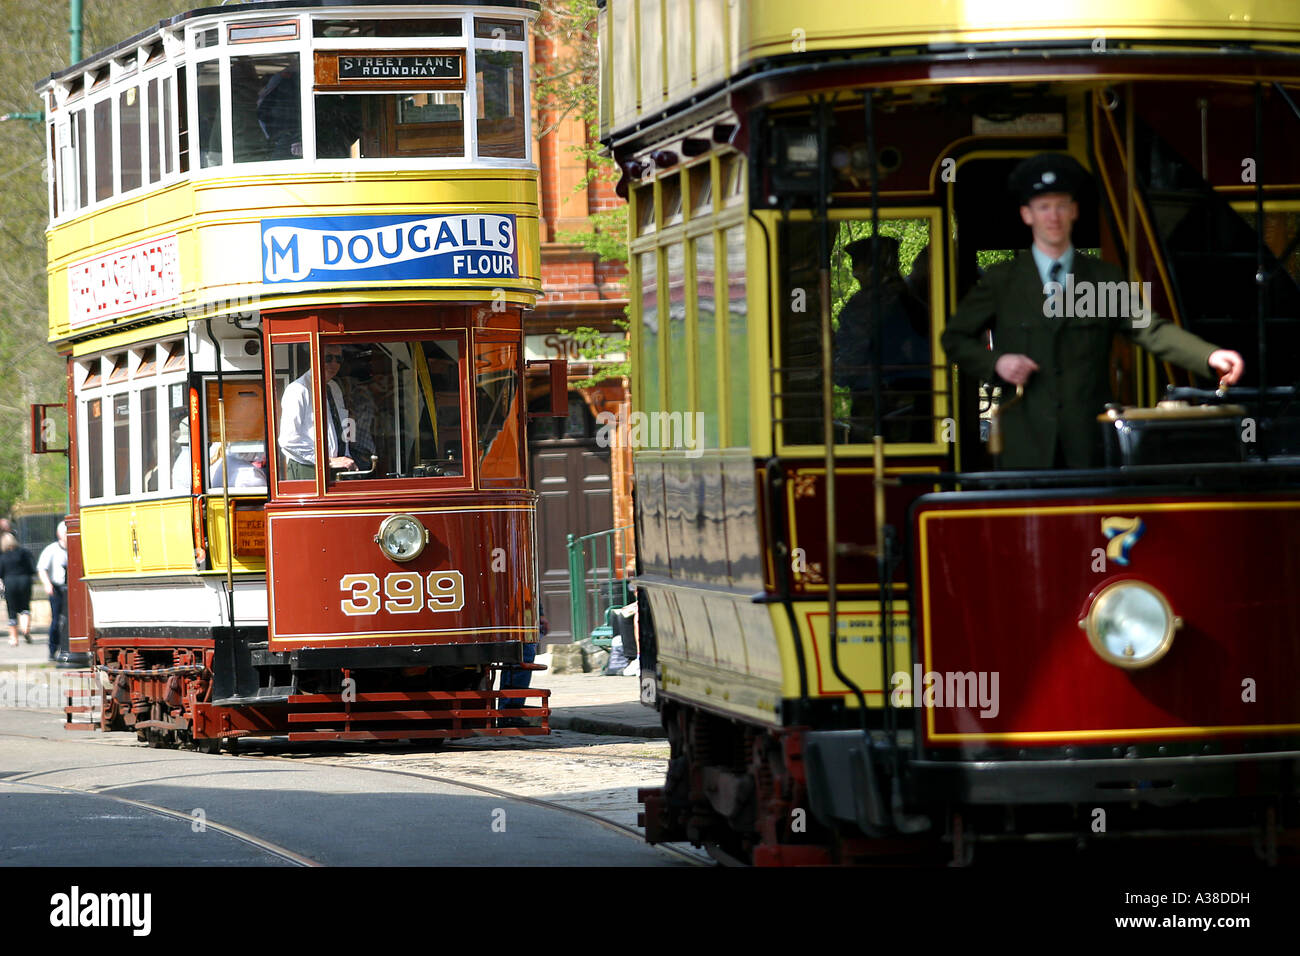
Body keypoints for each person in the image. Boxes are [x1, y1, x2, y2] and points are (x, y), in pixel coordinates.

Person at [940, 152, 1246, 469]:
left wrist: (1208, 356)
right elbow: (955, 339)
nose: (1053, 216)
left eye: (1061, 206)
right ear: (1027, 215)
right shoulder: (1001, 281)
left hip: (1088, 446)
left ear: (1074, 211)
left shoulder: (1103, 278)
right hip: (1024, 449)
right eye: (1044, 207)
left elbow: (1150, 329)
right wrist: (998, 362)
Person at [833, 235, 933, 443]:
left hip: (877, 408)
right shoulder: (913, 299)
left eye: (858, 267)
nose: (855, 274)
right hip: (922, 408)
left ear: (872, 267)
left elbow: (848, 363)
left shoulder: (865, 305)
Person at [278, 346, 355, 479]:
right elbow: (288, 440)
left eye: (338, 359)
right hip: (308, 468)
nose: (334, 364)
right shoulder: (297, 390)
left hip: (337, 467)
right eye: (328, 358)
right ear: (314, 358)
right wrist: (328, 461)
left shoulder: (334, 388)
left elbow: (341, 424)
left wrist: (346, 456)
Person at [37, 522, 67, 661]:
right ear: (59, 534)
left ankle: (68, 648)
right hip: (57, 588)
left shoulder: (75, 547)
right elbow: (42, 568)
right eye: (65, 532)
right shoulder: (51, 549)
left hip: (71, 589)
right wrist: (47, 584)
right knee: (56, 620)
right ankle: (52, 649)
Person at [0, 532, 36, 647]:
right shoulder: (25, 553)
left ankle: (14, 638)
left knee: (12, 610)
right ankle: (25, 630)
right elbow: (31, 569)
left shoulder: (3, 556)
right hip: (24, 581)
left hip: (10, 582)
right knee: (25, 607)